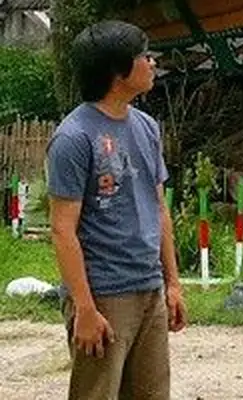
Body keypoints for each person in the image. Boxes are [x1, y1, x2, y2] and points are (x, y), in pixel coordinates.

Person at [46, 21, 186, 400]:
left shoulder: (146, 127)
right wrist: (84, 308)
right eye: (144, 56)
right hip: (105, 293)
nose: (152, 62)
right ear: (117, 71)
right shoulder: (74, 137)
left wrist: (171, 283)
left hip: (148, 287)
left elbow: (159, 209)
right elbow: (62, 229)